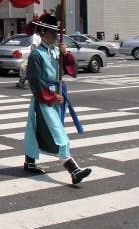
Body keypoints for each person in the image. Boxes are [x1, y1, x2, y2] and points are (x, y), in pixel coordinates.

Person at [22, 13, 92, 184]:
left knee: (39, 129)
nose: (56, 36)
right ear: (43, 32)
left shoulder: (55, 50)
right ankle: (73, 169)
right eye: (53, 33)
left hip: (58, 95)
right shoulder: (37, 54)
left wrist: (66, 54)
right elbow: (36, 81)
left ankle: (29, 161)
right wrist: (51, 97)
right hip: (46, 97)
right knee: (57, 131)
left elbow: (69, 70)